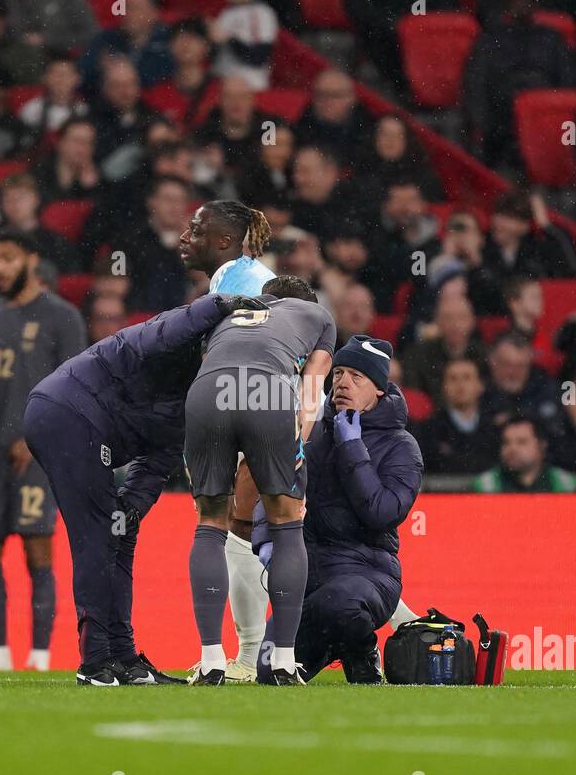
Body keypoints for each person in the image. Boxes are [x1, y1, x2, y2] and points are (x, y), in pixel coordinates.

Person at [24, 291, 266, 685]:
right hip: (68, 411)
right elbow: (170, 328)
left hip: (72, 417)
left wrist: (132, 505)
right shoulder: (165, 342)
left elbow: (160, 457)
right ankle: (95, 661)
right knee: (99, 535)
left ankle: (122, 656)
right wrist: (220, 304)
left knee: (120, 533)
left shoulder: (198, 395)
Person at [184, 275, 335, 685]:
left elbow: (208, 365)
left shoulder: (229, 313)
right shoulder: (317, 316)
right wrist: (295, 449)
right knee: (287, 525)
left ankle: (211, 658)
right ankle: (283, 661)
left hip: (206, 393)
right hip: (268, 391)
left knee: (210, 524)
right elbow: (311, 392)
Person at [253, 334, 423, 683]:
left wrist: (353, 447)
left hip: (370, 573)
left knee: (341, 604)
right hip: (307, 577)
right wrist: (266, 540)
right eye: (338, 374)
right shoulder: (312, 434)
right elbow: (274, 489)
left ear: (378, 389)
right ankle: (340, 643)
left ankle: (360, 647)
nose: (342, 383)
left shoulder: (401, 446)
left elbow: (382, 513)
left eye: (355, 376)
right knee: (269, 672)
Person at [0, 230, 86, 671]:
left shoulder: (63, 317)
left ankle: (39, 656)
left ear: (31, 259)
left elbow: (74, 386)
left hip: (39, 456)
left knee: (38, 551)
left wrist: (40, 437)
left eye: (8, 258)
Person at [178, 198, 276, 679]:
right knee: (277, 530)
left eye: (195, 230)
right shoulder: (249, 276)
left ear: (222, 241)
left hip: (249, 403)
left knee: (229, 525)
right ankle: (258, 656)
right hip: (279, 405)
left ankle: (245, 657)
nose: (184, 237)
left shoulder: (235, 280)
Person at [477, 416, 576, 493]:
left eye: (522, 442)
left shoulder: (565, 484)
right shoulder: (485, 485)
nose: (512, 449)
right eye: (506, 442)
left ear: (542, 445)